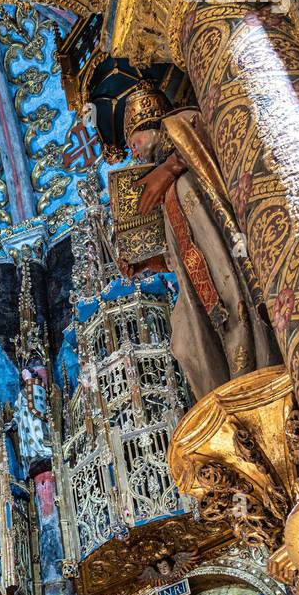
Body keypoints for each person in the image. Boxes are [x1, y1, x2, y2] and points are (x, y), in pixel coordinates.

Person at [117, 82, 279, 400]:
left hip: (233, 264)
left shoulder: (185, 127)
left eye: (133, 141)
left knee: (242, 323)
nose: (133, 152)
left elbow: (210, 143)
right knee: (185, 343)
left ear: (149, 127)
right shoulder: (166, 188)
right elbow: (184, 255)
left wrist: (173, 166)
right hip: (207, 293)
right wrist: (147, 264)